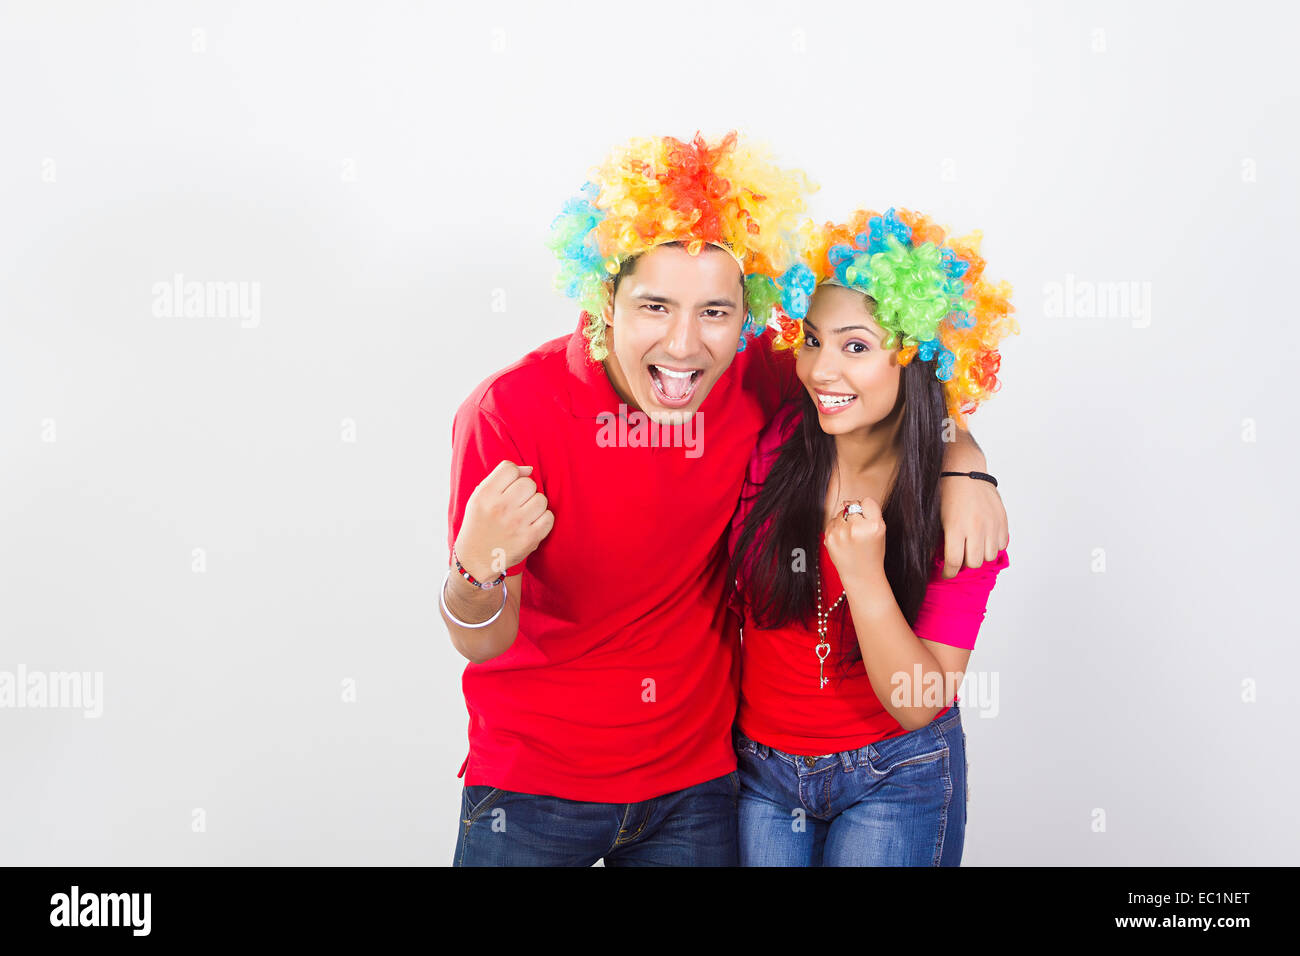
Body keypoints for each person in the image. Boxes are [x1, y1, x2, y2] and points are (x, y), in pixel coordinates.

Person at [443, 135, 1007, 866]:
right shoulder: (509, 411)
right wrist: (475, 567)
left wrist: (966, 465)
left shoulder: (756, 380)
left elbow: (899, 385)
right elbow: (480, 637)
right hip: (536, 785)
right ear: (604, 299)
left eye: (714, 311)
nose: (683, 346)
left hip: (701, 786)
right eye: (654, 306)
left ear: (746, 316)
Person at [727, 207, 1017, 866]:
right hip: (761, 776)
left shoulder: (960, 514)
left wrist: (865, 578)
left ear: (919, 359)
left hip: (897, 776)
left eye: (856, 346)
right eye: (811, 339)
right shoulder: (775, 441)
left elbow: (920, 704)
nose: (822, 370)